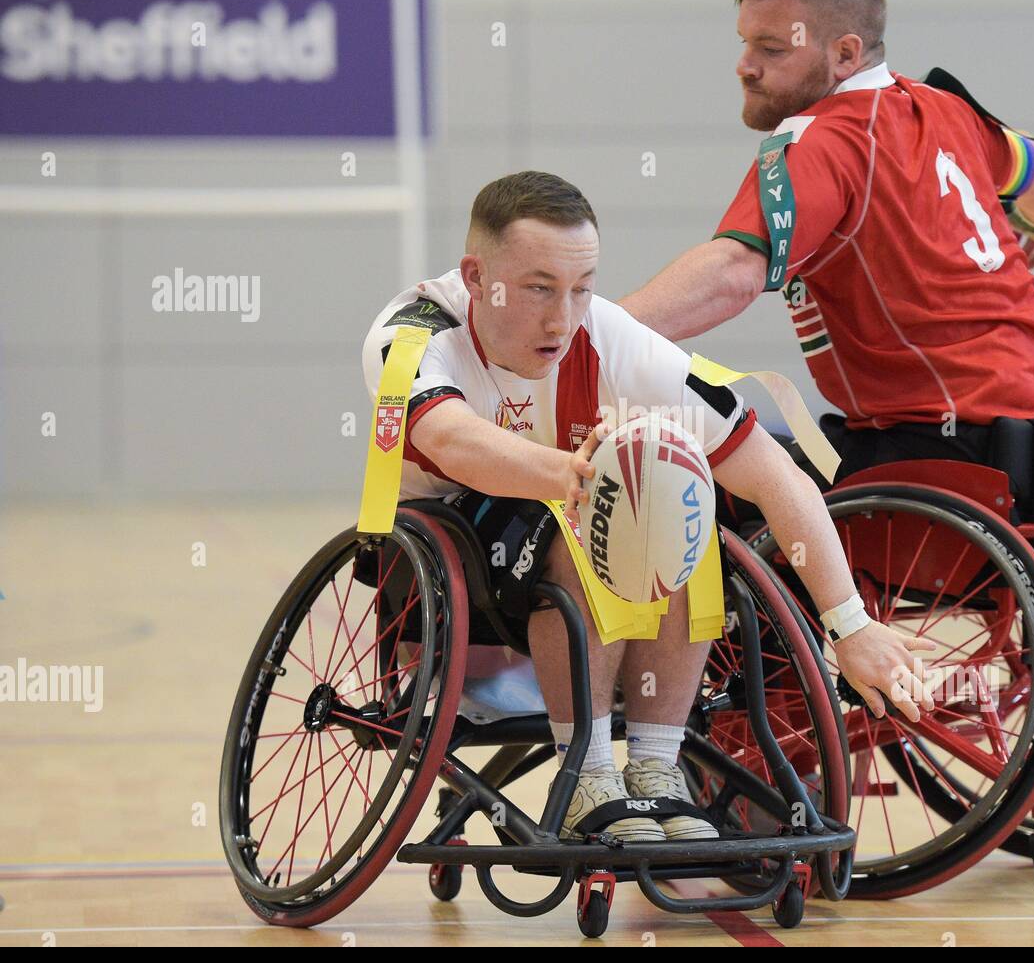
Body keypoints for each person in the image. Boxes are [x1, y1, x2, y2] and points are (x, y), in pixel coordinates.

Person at [362, 170, 935, 843]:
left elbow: (774, 474)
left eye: (582, 287)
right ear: (475, 275)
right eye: (540, 288)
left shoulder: (612, 337)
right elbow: (450, 440)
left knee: (679, 497)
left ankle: (657, 770)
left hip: (569, 522)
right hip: (448, 541)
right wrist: (577, 477)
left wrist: (850, 624)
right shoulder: (410, 333)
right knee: (592, 510)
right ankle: (591, 775)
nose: (562, 317)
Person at [619, 0, 1034, 490]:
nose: (744, 65)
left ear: (845, 54)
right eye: (745, 42)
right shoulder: (948, 109)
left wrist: (587, 335)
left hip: (944, 443)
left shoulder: (821, 139)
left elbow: (735, 272)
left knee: (686, 489)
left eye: (771, 49)